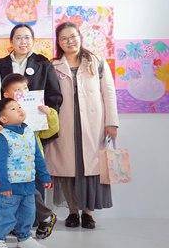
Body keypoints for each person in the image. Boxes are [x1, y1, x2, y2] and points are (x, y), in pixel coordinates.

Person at [45, 22, 119, 230]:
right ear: (59, 43)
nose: (69, 41)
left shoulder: (96, 61)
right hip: (65, 123)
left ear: (80, 37)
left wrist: (112, 122)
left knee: (92, 169)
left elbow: (109, 93)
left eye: (73, 36)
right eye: (64, 38)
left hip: (93, 124)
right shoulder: (53, 65)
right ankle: (72, 211)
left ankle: (88, 213)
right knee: (67, 169)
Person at [0, 97, 52, 248]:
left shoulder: (29, 131)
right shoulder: (3, 137)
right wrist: (4, 185)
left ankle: (24, 237)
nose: (19, 110)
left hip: (29, 183)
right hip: (11, 186)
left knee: (28, 213)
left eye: (19, 107)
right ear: (4, 119)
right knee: (6, 213)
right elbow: (0, 163)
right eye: (13, 109)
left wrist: (45, 176)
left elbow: (37, 156)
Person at [1, 73, 59, 239]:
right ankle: (21, 225)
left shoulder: (33, 110)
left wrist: (49, 114)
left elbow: (49, 132)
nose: (23, 93)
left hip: (30, 161)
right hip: (11, 161)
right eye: (17, 90)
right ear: (6, 95)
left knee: (27, 191)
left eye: (25, 88)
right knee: (16, 194)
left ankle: (45, 216)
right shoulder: (3, 112)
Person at [0, 23, 62, 110]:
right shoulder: (0, 64)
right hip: (8, 116)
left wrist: (49, 113)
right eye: (18, 38)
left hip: (37, 115)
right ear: (11, 41)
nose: (23, 42)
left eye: (27, 37)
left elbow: (54, 95)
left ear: (33, 40)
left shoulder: (43, 63)